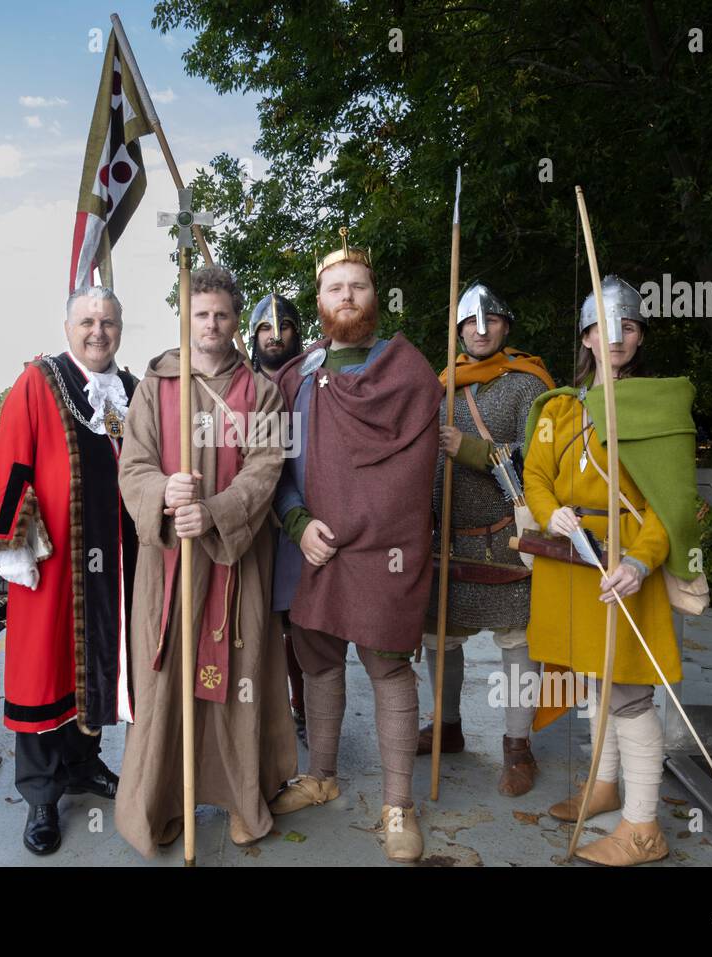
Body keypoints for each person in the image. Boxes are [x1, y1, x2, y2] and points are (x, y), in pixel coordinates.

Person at [268, 231, 442, 862]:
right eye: (335, 287)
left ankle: (398, 804)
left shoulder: (409, 372)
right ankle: (322, 775)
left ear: (376, 296)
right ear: (318, 300)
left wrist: (367, 530)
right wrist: (297, 524)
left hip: (386, 553)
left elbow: (413, 475)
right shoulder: (296, 377)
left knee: (390, 670)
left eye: (358, 285)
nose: (347, 295)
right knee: (317, 666)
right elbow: (274, 470)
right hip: (310, 549)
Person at [115, 265, 295, 856]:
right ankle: (160, 807)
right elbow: (133, 465)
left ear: (235, 319)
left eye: (221, 314)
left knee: (240, 679)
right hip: (169, 564)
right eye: (201, 315)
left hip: (236, 560)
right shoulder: (155, 385)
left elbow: (268, 466)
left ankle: (245, 800)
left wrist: (214, 511)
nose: (211, 324)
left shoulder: (261, 390)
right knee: (166, 681)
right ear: (184, 319)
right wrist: (164, 494)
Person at [523, 276, 701, 866]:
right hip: (573, 558)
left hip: (626, 565)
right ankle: (603, 786)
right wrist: (554, 520)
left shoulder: (657, 406)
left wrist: (642, 560)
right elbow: (537, 477)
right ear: (588, 337)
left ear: (638, 335)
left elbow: (670, 504)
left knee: (627, 689)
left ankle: (643, 827)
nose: (616, 335)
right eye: (604, 325)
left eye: (628, 324)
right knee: (596, 679)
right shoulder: (561, 407)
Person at [0, 286, 137, 855]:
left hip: (115, 558)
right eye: (87, 321)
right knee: (44, 667)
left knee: (98, 662)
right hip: (51, 559)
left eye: (108, 322)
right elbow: (11, 457)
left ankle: (84, 764)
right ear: (67, 328)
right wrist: (14, 546)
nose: (97, 332)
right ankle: (40, 794)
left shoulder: (130, 390)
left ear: (119, 330)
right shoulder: (39, 380)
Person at [421, 283, 555, 798]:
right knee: (439, 638)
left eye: (491, 320)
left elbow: (546, 457)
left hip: (506, 537)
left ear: (506, 327)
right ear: (458, 331)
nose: (480, 329)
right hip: (447, 538)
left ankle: (517, 749)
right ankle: (447, 727)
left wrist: (475, 450)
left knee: (517, 643)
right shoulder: (440, 387)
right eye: (470, 322)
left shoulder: (528, 385)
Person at [249, 292, 308, 743]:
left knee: (302, 622)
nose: (274, 335)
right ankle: (261, 715)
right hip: (250, 518)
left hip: (302, 512)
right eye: (265, 328)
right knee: (257, 622)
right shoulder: (237, 386)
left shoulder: (314, 379)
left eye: (283, 326)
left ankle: (304, 707)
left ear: (296, 332)